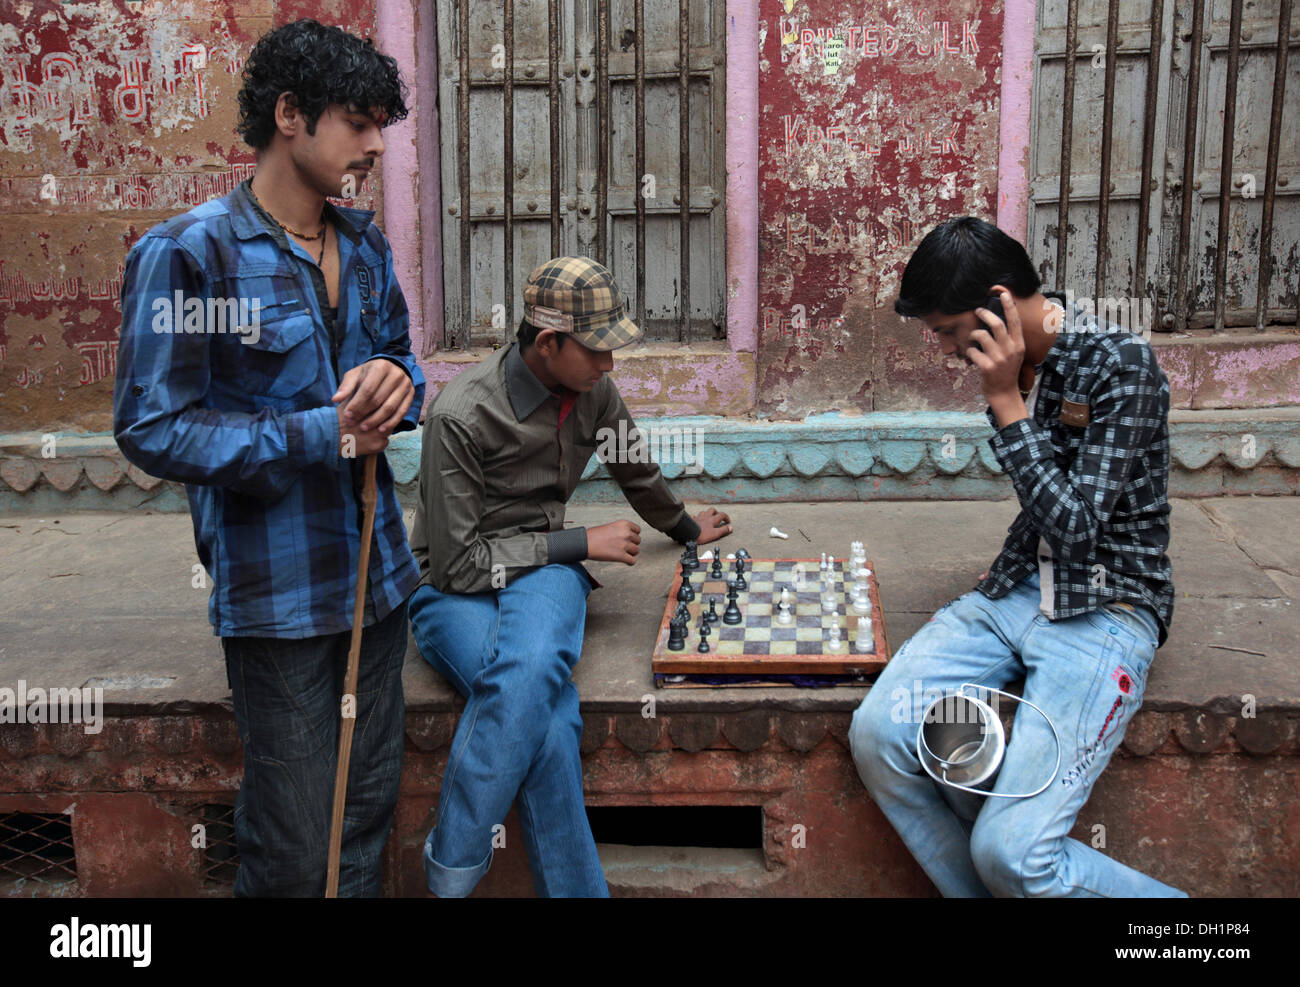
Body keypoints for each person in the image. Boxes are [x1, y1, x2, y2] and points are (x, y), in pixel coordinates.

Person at [113, 20, 420, 896]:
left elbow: (404, 364)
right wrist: (315, 433)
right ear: (289, 113)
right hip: (276, 597)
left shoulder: (364, 247)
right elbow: (151, 425)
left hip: (379, 578)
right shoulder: (188, 255)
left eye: (380, 126)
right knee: (292, 842)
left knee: (364, 817)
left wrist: (397, 383)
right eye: (357, 122)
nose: (373, 145)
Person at [849, 216, 1183, 897]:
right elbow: (1045, 507)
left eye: (945, 329)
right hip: (1023, 585)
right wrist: (1012, 563)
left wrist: (1005, 402)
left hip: (1108, 607)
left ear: (999, 302)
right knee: (879, 734)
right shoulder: (1024, 359)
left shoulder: (1119, 362)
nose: (942, 348)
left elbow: (1079, 530)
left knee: (1015, 855)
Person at [408, 256, 732, 897]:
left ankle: (449, 870)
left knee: (529, 686)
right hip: (450, 587)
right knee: (546, 712)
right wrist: (582, 541)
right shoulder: (460, 416)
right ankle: (458, 867)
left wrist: (686, 530)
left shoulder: (593, 395)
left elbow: (635, 471)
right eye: (597, 350)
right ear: (549, 343)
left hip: (543, 575)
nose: (609, 366)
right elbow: (458, 564)